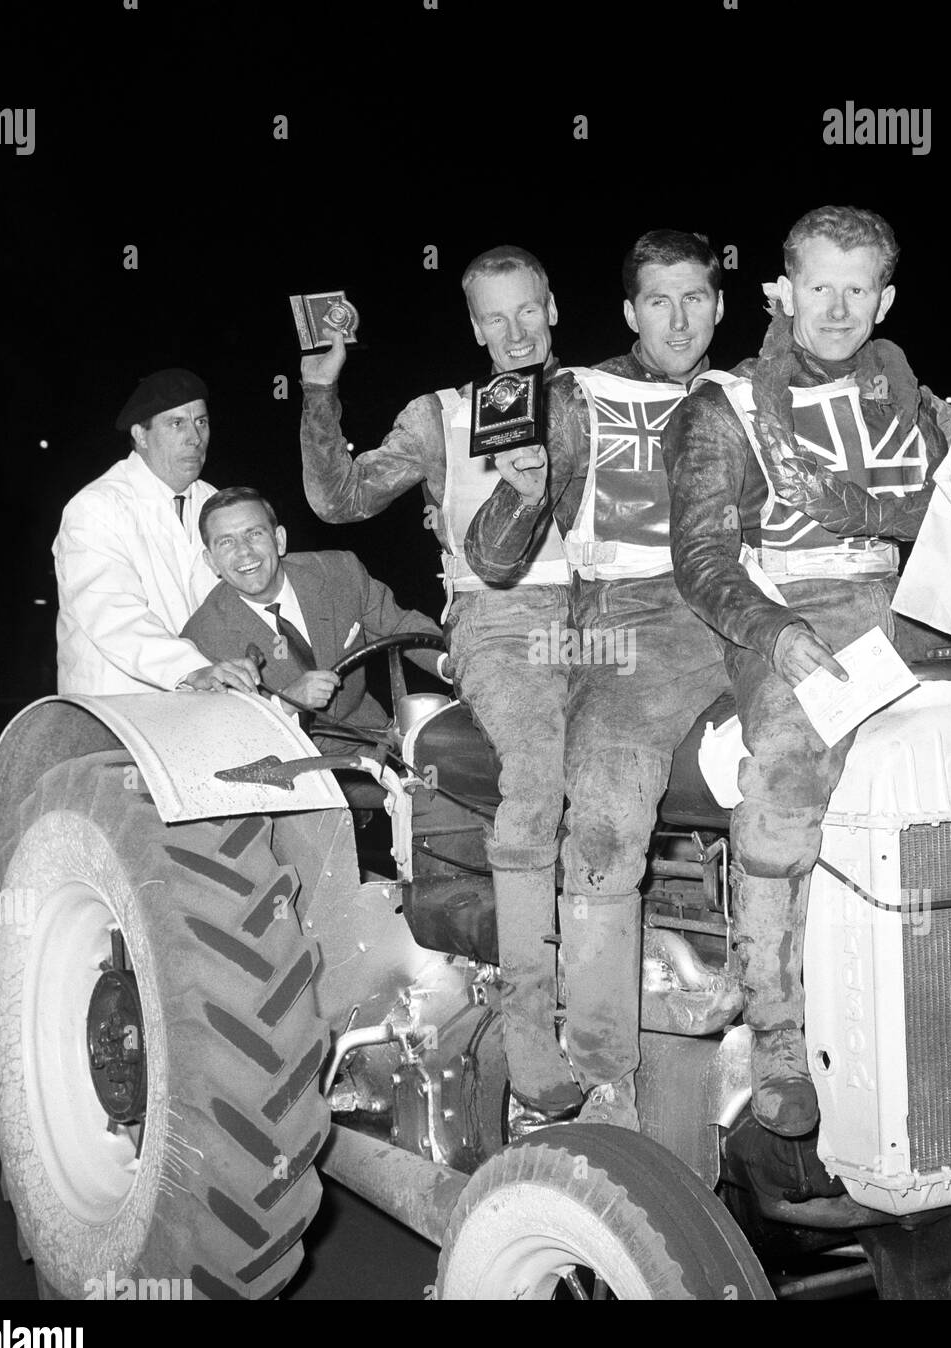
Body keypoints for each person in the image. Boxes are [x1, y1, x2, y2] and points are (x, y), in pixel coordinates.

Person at [664, 207, 951, 1137]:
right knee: (786, 779)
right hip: (797, 618)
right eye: (818, 285)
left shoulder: (912, 401)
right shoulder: (725, 407)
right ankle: (779, 1032)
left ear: (886, 297)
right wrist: (773, 632)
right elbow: (702, 558)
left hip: (917, 617)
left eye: (858, 287)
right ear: (781, 291)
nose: (837, 307)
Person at [300, 247, 584, 1126]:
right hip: (501, 616)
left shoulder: (602, 397)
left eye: (527, 310)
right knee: (539, 770)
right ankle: (533, 1021)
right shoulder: (440, 416)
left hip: (615, 615)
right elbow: (338, 498)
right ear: (472, 328)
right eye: (493, 318)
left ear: (554, 307)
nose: (514, 333)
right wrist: (319, 392)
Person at [464, 230, 736, 1129]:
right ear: (628, 312)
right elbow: (494, 558)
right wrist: (524, 485)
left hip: (751, 612)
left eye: (696, 298)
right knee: (605, 800)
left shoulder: (750, 396)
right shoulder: (576, 399)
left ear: (721, 305)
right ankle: (595, 1068)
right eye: (658, 301)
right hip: (635, 623)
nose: (680, 319)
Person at [181, 487, 448, 755]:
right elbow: (226, 732)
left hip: (377, 743)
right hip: (289, 765)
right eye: (226, 542)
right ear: (211, 562)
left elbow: (399, 625)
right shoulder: (201, 637)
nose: (244, 552)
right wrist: (285, 702)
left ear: (280, 539)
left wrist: (450, 664)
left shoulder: (339, 572)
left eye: (254, 533)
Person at [53, 368, 259, 696]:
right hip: (117, 709)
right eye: (176, 423)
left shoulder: (213, 502)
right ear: (141, 434)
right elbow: (112, 614)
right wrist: (190, 668)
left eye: (201, 422)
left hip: (201, 705)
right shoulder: (95, 508)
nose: (194, 437)